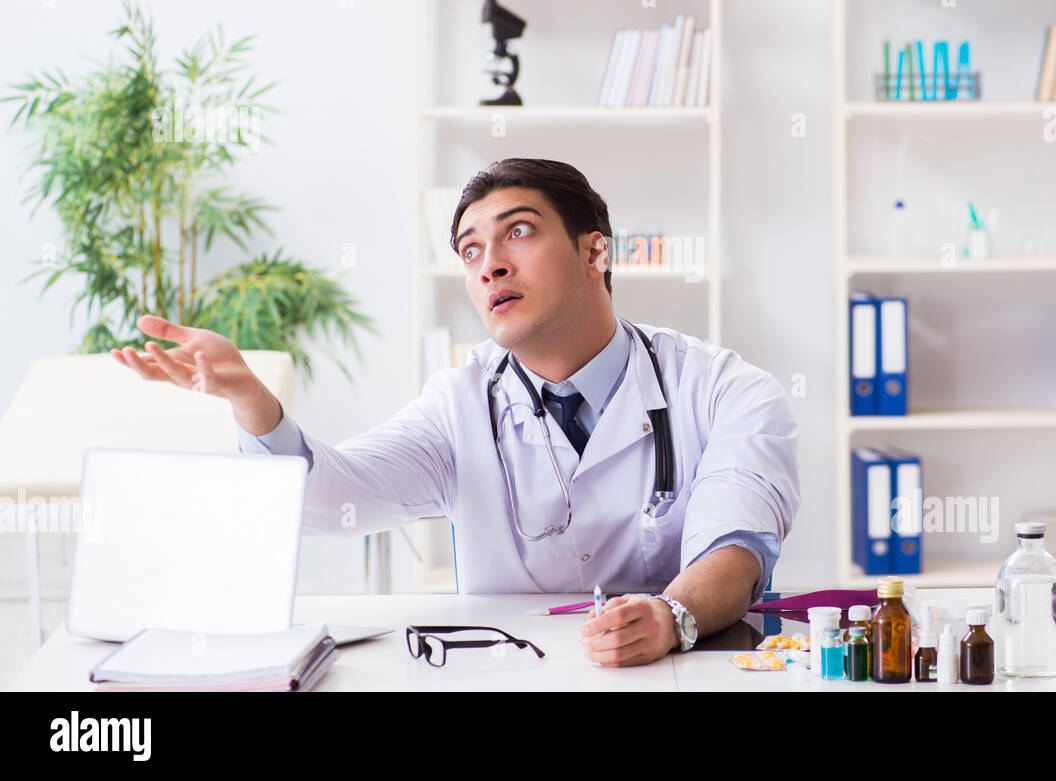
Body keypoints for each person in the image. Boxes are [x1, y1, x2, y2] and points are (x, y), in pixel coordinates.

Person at [112, 158, 799, 668]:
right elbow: (334, 501)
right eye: (471, 251)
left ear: (595, 250)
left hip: (678, 675)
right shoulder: (459, 402)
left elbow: (735, 550)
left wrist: (671, 614)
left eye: (518, 233)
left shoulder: (726, 391)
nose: (489, 266)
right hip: (509, 676)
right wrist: (253, 403)